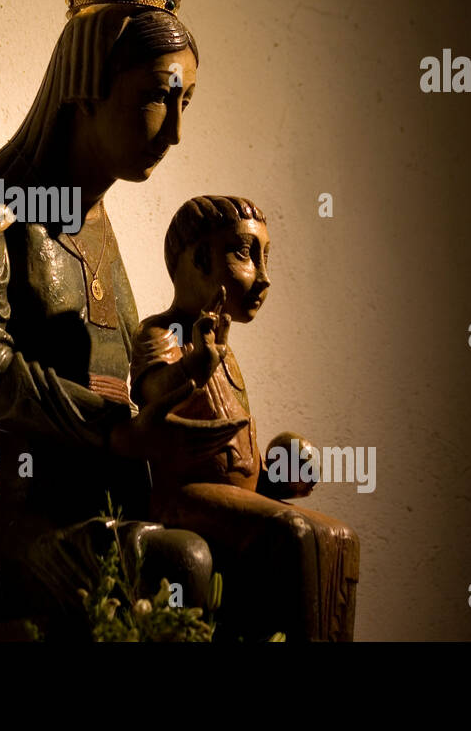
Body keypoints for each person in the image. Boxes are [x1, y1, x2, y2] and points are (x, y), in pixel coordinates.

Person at [0, 3, 241, 633]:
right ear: (85, 89)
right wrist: (114, 430)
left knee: (279, 545)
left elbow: (133, 383)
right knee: (183, 561)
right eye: (158, 97)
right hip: (35, 528)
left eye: (187, 103)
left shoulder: (99, 223)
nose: (176, 132)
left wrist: (190, 382)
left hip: (124, 511)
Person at [132, 196, 360, 640]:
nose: (265, 275)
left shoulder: (225, 349)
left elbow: (234, 457)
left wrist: (279, 469)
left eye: (265, 256)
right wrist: (194, 365)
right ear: (199, 258)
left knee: (340, 536)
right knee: (296, 534)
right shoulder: (164, 332)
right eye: (246, 254)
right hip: (185, 497)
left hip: (225, 496)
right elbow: (152, 395)